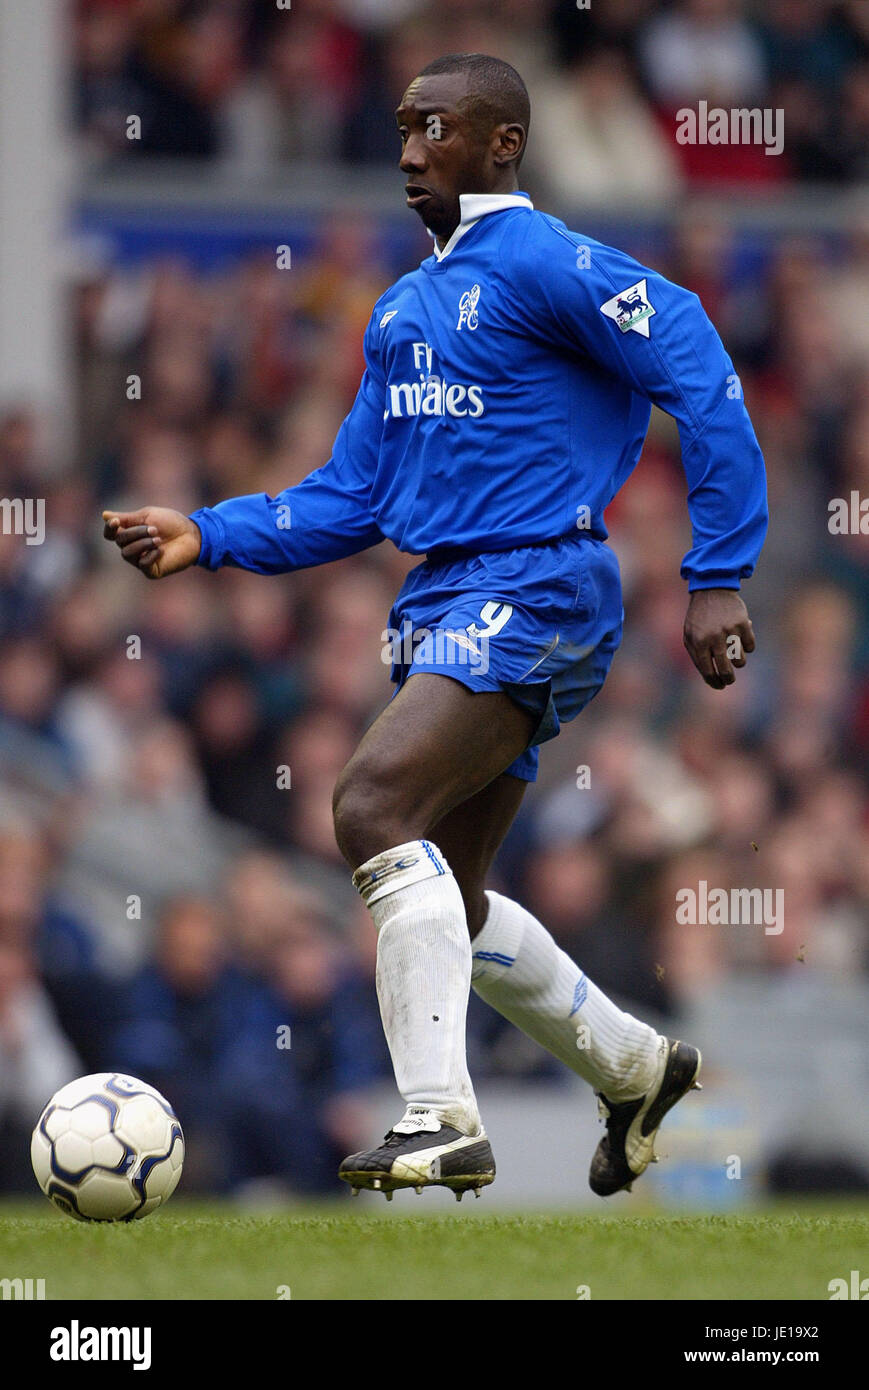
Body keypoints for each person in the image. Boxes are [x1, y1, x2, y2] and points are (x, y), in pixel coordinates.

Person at [103, 53, 767, 1202]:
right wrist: (203, 533)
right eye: (404, 128)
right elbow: (349, 496)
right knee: (445, 898)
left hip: (541, 582)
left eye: (438, 129)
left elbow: (696, 361)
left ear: (501, 144)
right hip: (445, 599)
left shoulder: (544, 261)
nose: (409, 151)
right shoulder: (403, 306)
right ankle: (634, 1066)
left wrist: (717, 571)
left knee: (367, 804)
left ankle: (439, 1115)